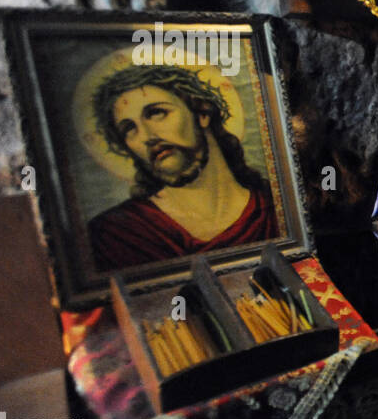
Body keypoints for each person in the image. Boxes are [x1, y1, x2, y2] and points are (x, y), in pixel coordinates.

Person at [89, 65, 277, 271]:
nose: (146, 137)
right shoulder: (119, 234)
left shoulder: (274, 207)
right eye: (129, 129)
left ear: (201, 113)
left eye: (156, 113)